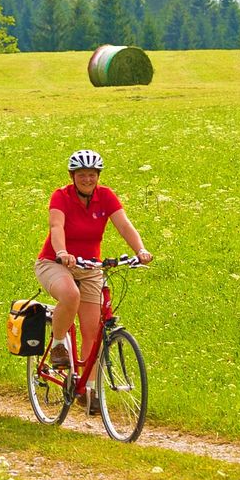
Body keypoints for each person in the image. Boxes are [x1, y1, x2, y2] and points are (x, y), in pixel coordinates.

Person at [36, 149, 153, 388]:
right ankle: (58, 344)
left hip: (90, 266)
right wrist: (62, 253)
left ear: (98, 176)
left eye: (92, 174)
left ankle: (88, 390)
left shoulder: (106, 196)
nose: (87, 179)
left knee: (92, 331)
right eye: (81, 174)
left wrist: (140, 250)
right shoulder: (61, 196)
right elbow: (56, 227)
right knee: (70, 295)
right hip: (55, 262)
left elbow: (124, 225)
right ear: (72, 176)